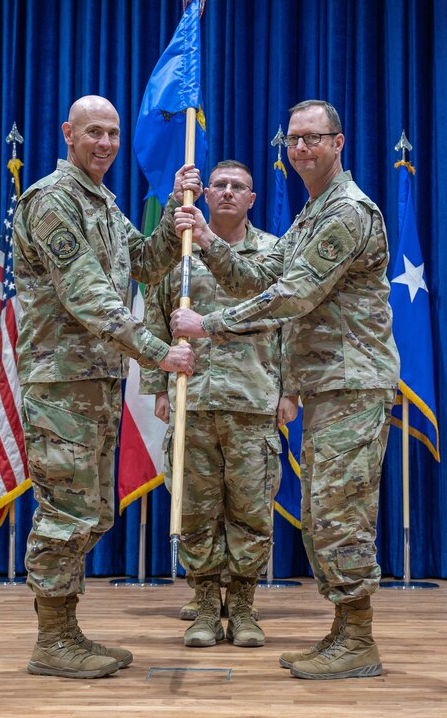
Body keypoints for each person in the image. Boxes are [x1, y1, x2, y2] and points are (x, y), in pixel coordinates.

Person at [169, 100, 399, 680]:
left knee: (341, 514)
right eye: (292, 140)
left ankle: (359, 641)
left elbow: (293, 295)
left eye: (313, 139)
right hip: (327, 384)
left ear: (338, 143)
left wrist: (211, 325)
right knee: (324, 513)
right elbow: (261, 276)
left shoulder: (346, 211)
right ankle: (344, 632)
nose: (300, 149)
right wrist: (208, 240)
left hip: (351, 382)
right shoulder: (313, 212)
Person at [12, 94, 198, 679]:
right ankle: (52, 641)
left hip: (96, 381)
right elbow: (88, 296)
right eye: (93, 132)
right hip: (63, 382)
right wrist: (158, 353)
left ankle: (67, 632)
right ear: (67, 132)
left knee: (90, 510)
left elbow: (140, 264)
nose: (105, 143)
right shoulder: (51, 201)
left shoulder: (105, 206)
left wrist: (175, 214)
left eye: (113, 134)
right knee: (64, 511)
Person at [140, 159, 298, 649]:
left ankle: (245, 609)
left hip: (253, 403)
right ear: (205, 194)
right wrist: (158, 385)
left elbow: (291, 324)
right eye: (220, 185)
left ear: (252, 199)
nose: (228, 192)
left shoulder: (273, 252)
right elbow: (154, 320)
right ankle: (206, 608)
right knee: (194, 512)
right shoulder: (179, 254)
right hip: (194, 402)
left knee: (252, 511)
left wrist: (289, 390)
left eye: (239, 187)